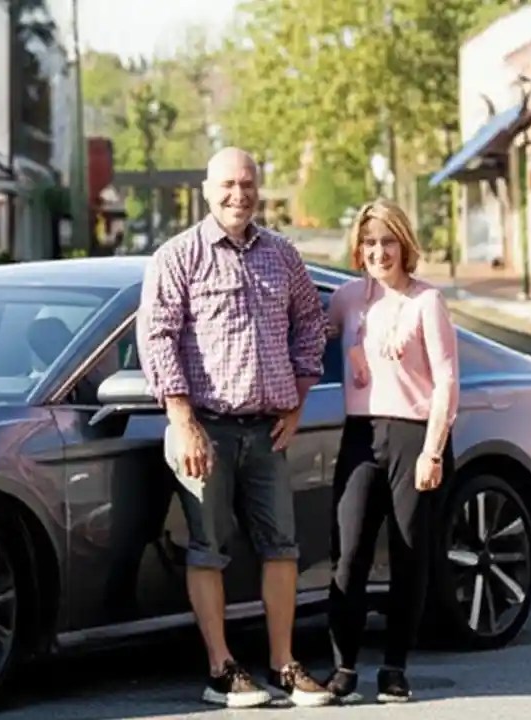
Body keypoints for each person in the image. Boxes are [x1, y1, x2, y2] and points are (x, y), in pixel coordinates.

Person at [136, 147, 333, 709]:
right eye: (227, 185)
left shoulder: (283, 256)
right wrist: (182, 420)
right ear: (206, 189)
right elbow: (157, 339)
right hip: (205, 429)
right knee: (207, 548)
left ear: (259, 187)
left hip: (267, 431)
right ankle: (221, 669)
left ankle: (283, 665)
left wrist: (297, 398)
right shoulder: (179, 257)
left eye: (247, 184)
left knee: (282, 547)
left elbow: (311, 326)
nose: (237, 195)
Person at [321, 199, 459, 704]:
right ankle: (344, 667)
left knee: (408, 555)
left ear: (404, 245)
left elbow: (446, 380)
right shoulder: (346, 298)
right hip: (361, 434)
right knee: (349, 551)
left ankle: (396, 668)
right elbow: (314, 338)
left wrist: (433, 451)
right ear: (359, 249)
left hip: (413, 435)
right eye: (370, 243)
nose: (379, 252)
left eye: (388, 242)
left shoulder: (427, 302)